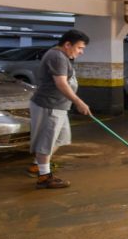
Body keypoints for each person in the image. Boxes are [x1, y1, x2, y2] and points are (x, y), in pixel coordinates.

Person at [29, 29, 91, 189]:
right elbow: (61, 83)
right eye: (79, 48)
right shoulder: (57, 56)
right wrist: (79, 102)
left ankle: (38, 164)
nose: (81, 52)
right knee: (46, 141)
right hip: (49, 105)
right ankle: (44, 177)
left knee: (61, 138)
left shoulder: (61, 56)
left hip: (59, 106)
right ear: (67, 44)